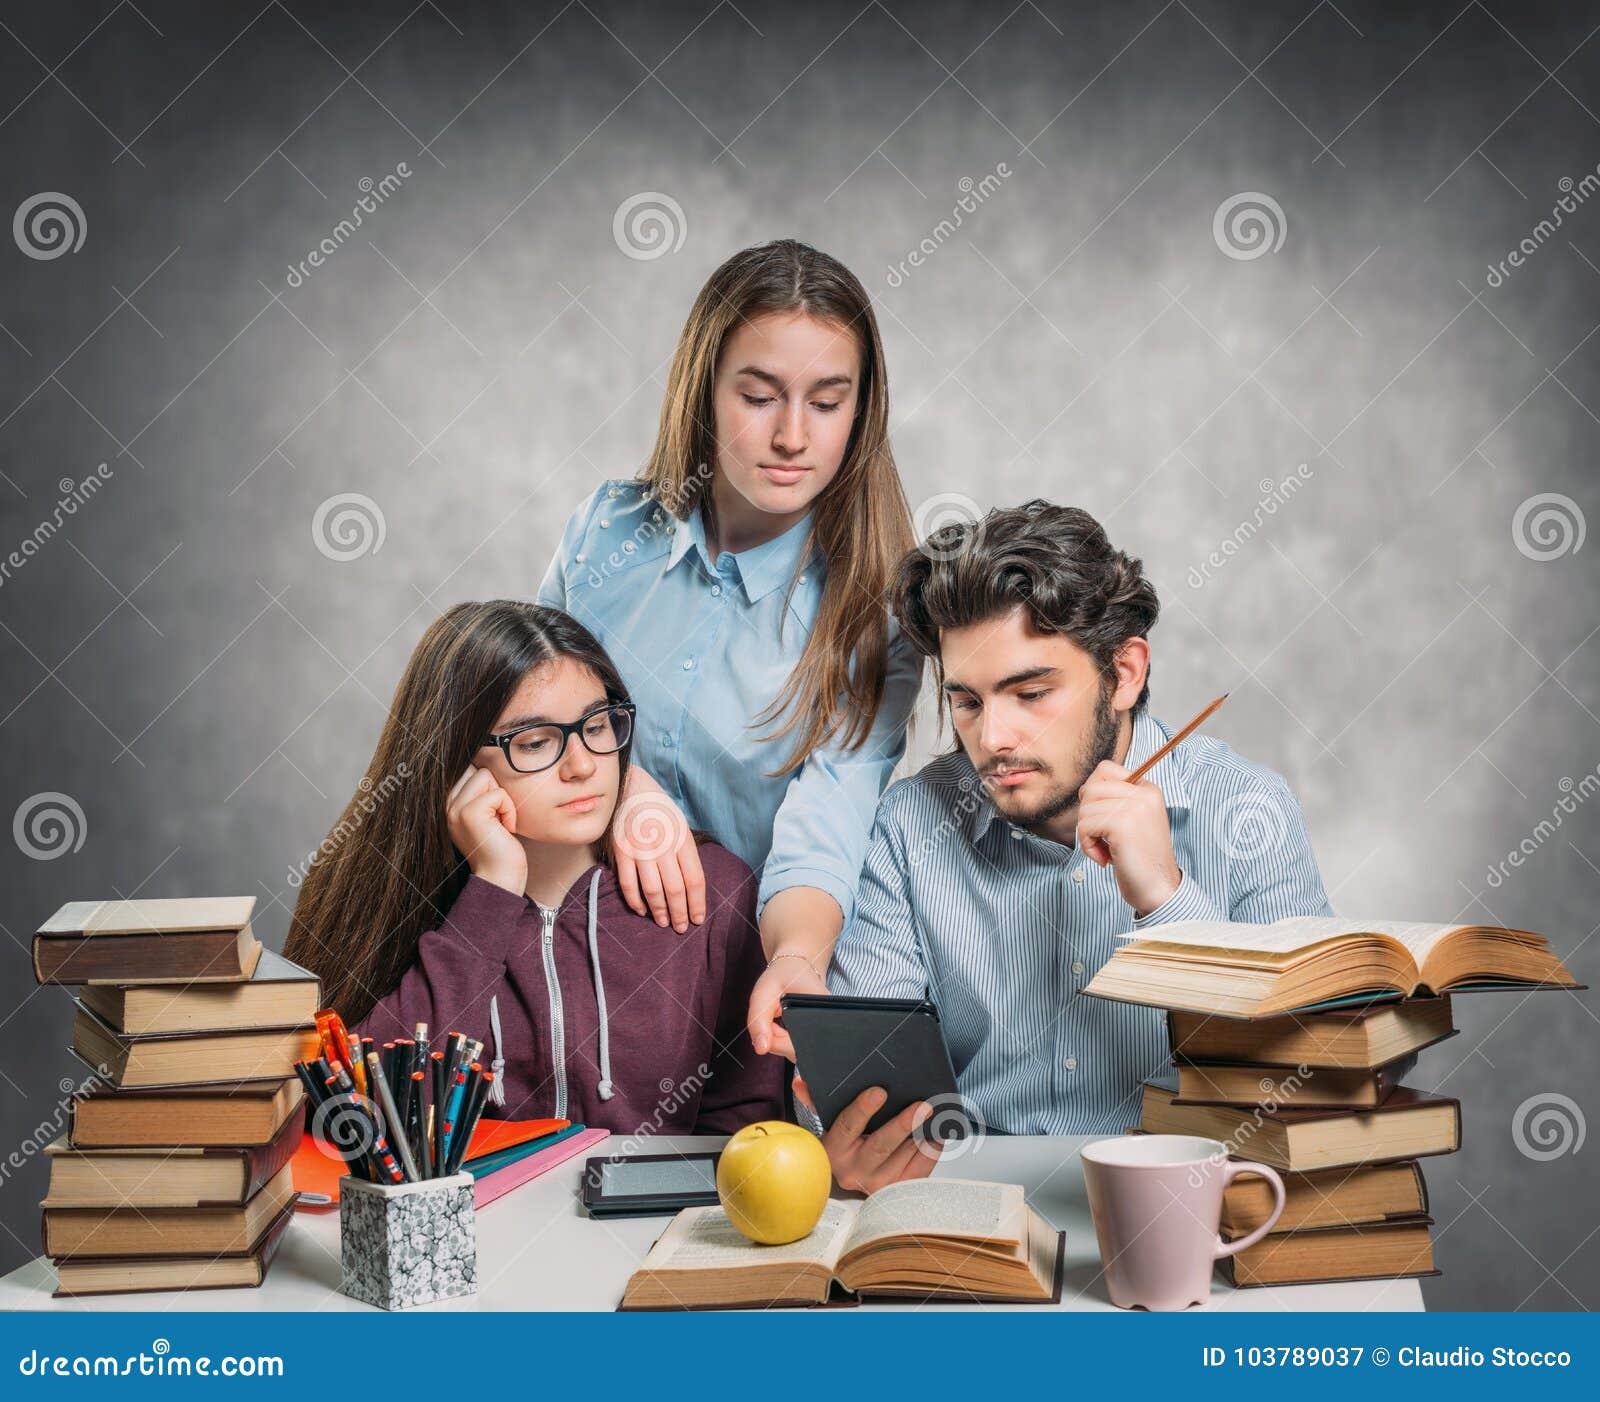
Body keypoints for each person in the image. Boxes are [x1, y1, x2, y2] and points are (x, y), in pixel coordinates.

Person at [796, 501, 1334, 1191]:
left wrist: (1168, 902)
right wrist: (839, 1135)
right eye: (967, 702)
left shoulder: (1247, 811)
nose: (993, 738)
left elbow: (1320, 1077)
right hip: (966, 1211)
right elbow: (856, 1087)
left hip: (1191, 1212)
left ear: (1126, 674)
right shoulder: (910, 825)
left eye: (1030, 692)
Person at [538, 238, 922, 1059]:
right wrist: (621, 785)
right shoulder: (605, 531)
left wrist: (794, 958)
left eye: (827, 401)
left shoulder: (874, 612)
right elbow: (511, 711)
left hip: (733, 991)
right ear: (704, 391)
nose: (792, 435)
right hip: (562, 958)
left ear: (862, 412)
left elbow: (829, 820)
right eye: (758, 395)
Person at [283, 601, 784, 1135]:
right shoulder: (385, 894)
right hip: (468, 1219)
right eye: (536, 742)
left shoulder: (712, 889)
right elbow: (357, 1126)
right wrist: (490, 894)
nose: (583, 765)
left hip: (654, 1221)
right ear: (456, 759)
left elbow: (748, 1134)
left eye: (597, 725)